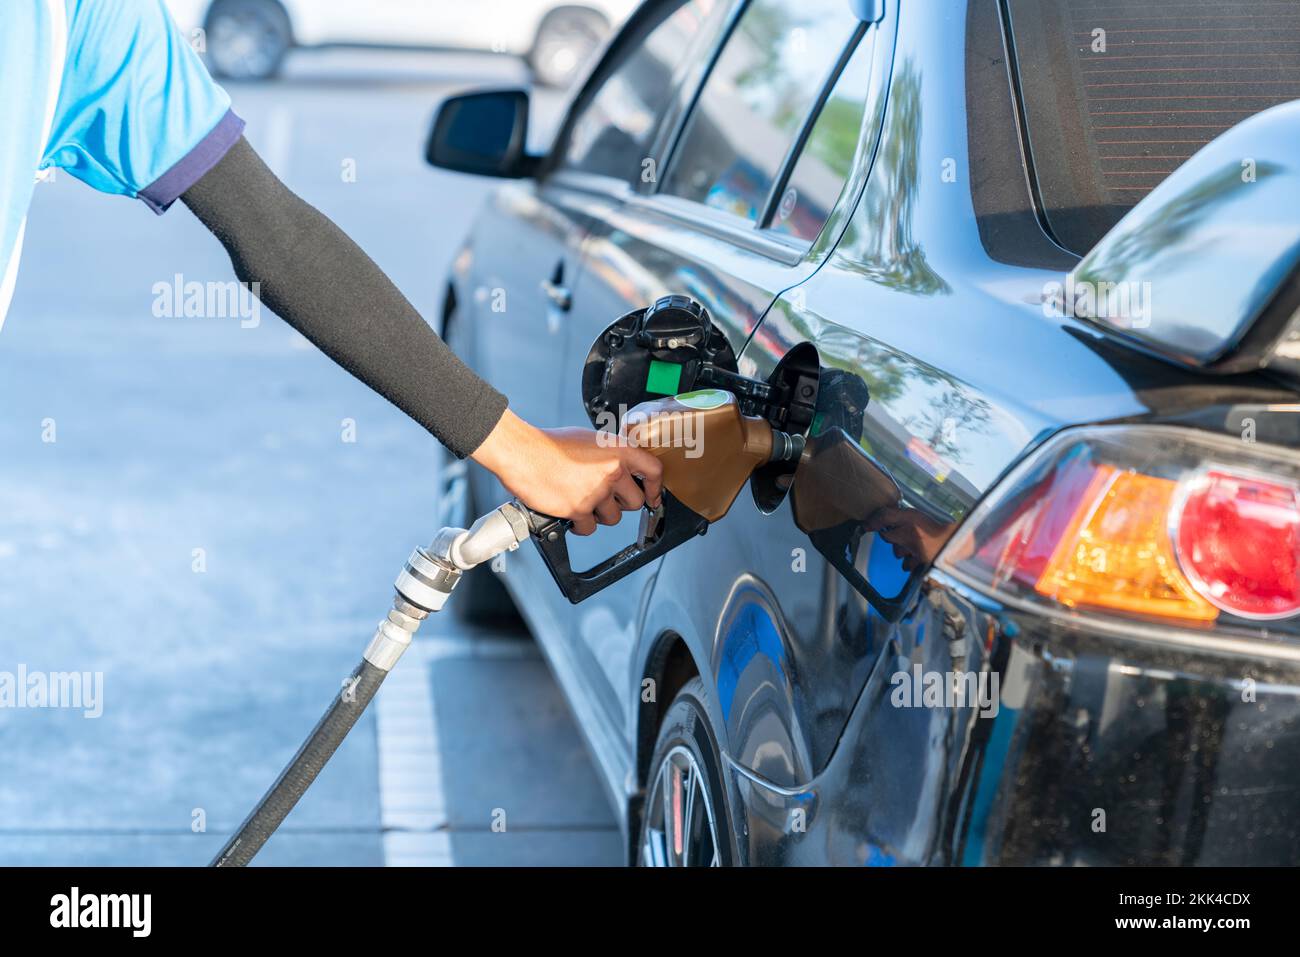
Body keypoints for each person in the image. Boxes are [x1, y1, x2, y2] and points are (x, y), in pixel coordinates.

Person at [2, 0, 661, 536]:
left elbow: (276, 237)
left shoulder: (80, 15)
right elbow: (273, 234)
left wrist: (527, 453)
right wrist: (526, 453)